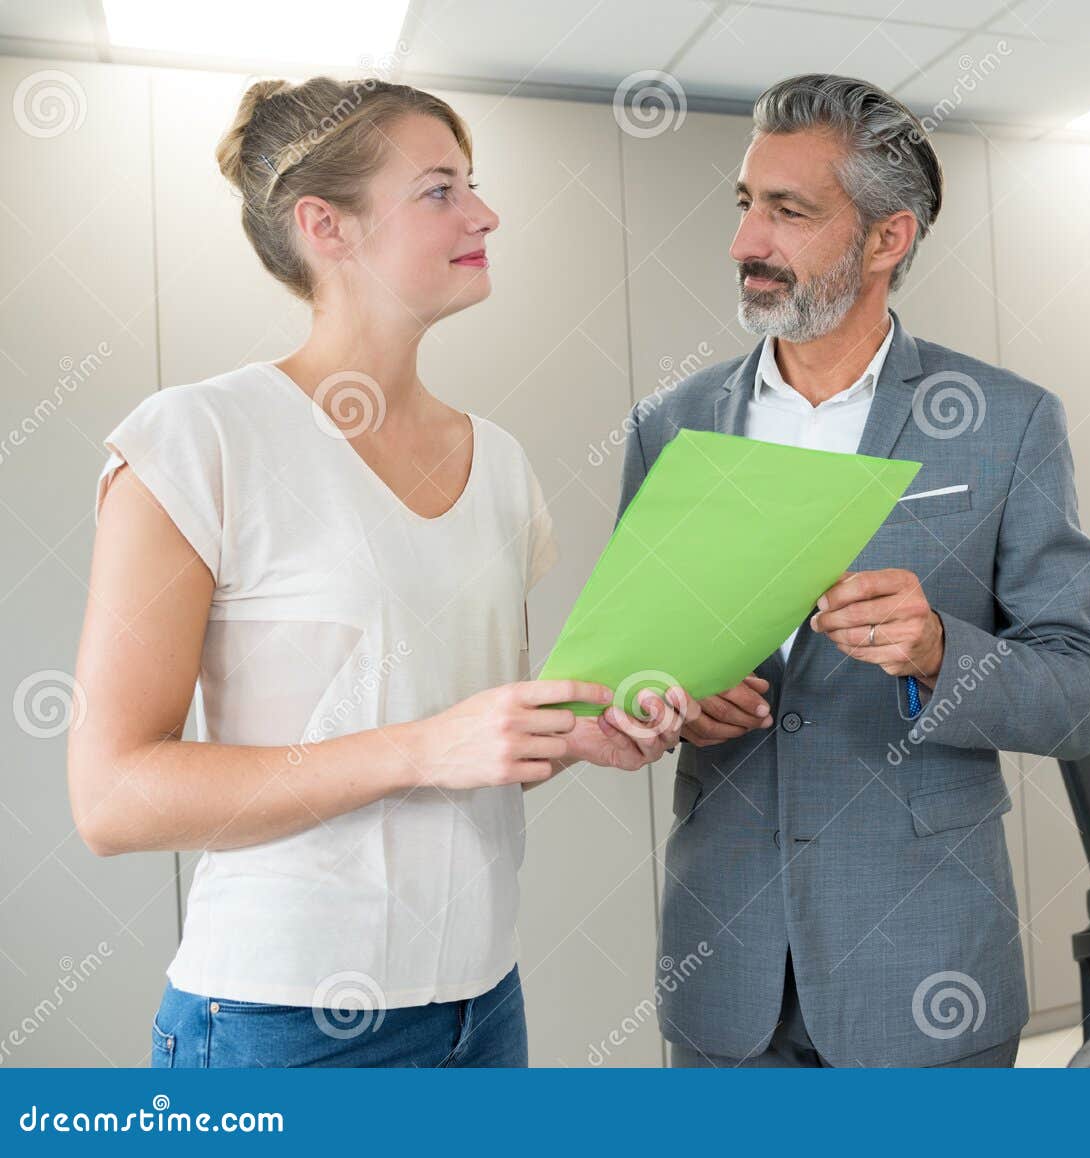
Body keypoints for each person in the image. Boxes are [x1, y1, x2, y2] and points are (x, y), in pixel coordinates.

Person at [66, 76, 694, 1068]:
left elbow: (457, 738)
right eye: (440, 189)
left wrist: (570, 734)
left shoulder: (500, 465)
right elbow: (112, 798)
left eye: (473, 185)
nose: (484, 214)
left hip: (482, 1006)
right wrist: (421, 749)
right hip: (280, 1021)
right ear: (327, 226)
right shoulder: (199, 439)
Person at [618, 74, 1090, 1067]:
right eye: (745, 204)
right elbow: (628, 659)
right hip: (725, 968)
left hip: (925, 967)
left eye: (789, 211)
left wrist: (937, 652)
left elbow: (1081, 698)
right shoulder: (671, 425)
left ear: (888, 238)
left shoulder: (1008, 422)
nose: (745, 242)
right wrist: (662, 696)